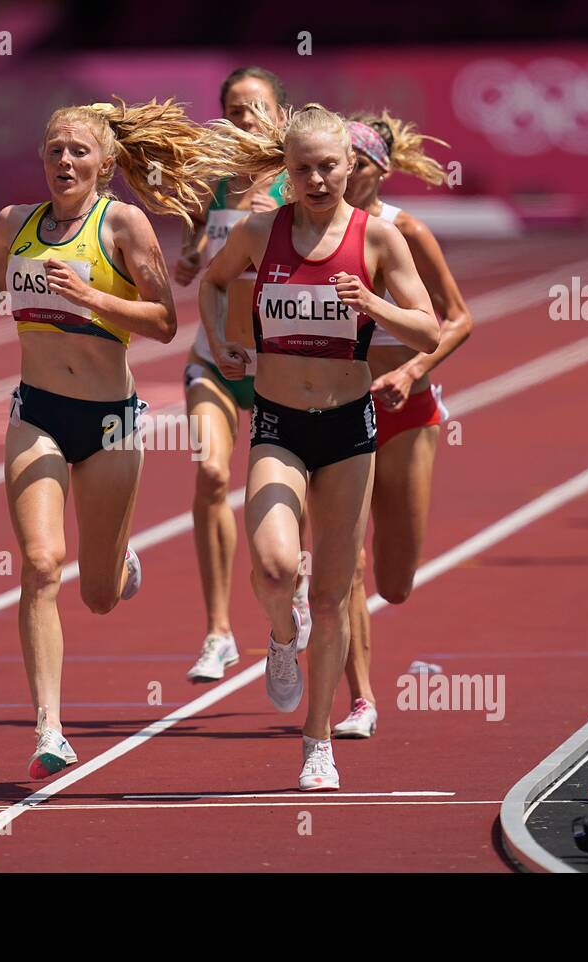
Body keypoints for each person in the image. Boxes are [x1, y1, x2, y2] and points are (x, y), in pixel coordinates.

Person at [0, 98, 236, 778]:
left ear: (106, 164)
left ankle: (119, 564)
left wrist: (94, 300)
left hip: (110, 420)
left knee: (99, 593)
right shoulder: (14, 223)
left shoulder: (124, 225)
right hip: (37, 414)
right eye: (54, 151)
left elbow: (166, 322)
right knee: (43, 565)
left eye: (79, 152)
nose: (64, 162)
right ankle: (49, 729)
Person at [201, 103, 439, 789]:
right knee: (275, 566)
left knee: (336, 595)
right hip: (278, 422)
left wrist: (373, 305)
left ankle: (316, 742)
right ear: (287, 170)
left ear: (348, 167)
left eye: (327, 166)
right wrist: (223, 347)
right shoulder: (258, 231)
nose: (315, 179)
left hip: (347, 431)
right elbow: (215, 283)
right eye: (301, 168)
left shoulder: (378, 241)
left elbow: (426, 330)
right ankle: (281, 636)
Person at [332, 112, 473, 738]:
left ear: (375, 169)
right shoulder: (309, 230)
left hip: (407, 412)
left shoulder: (403, 229)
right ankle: (360, 697)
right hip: (336, 409)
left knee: (394, 581)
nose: (340, 174)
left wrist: (413, 370)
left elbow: (459, 317)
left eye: (353, 163)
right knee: (346, 564)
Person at [174, 67, 304, 683]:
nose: (244, 117)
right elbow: (196, 252)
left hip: (283, 365)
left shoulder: (303, 184)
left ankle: (294, 587)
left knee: (282, 500)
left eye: (256, 107)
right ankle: (218, 631)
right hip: (215, 358)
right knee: (210, 471)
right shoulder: (217, 183)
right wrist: (192, 253)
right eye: (234, 108)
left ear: (281, 113)